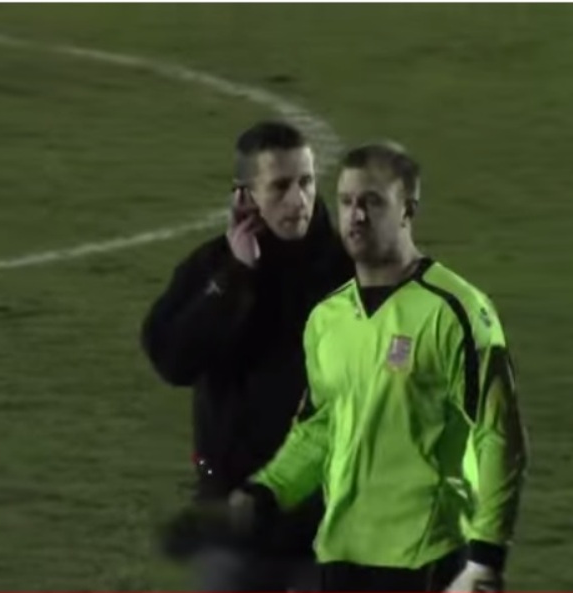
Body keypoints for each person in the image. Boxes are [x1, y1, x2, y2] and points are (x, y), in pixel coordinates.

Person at [229, 142, 529, 592]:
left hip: (430, 556)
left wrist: (486, 556)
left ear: (407, 210)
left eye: (372, 202)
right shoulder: (327, 320)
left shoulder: (456, 311)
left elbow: (500, 436)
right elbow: (321, 427)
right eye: (347, 202)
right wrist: (269, 490)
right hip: (342, 552)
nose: (356, 216)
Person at [141, 120, 354, 591]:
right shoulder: (213, 268)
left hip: (328, 520)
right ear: (245, 195)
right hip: (235, 517)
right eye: (279, 186)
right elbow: (173, 360)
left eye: (306, 182)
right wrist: (237, 275)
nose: (297, 200)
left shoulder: (348, 271)